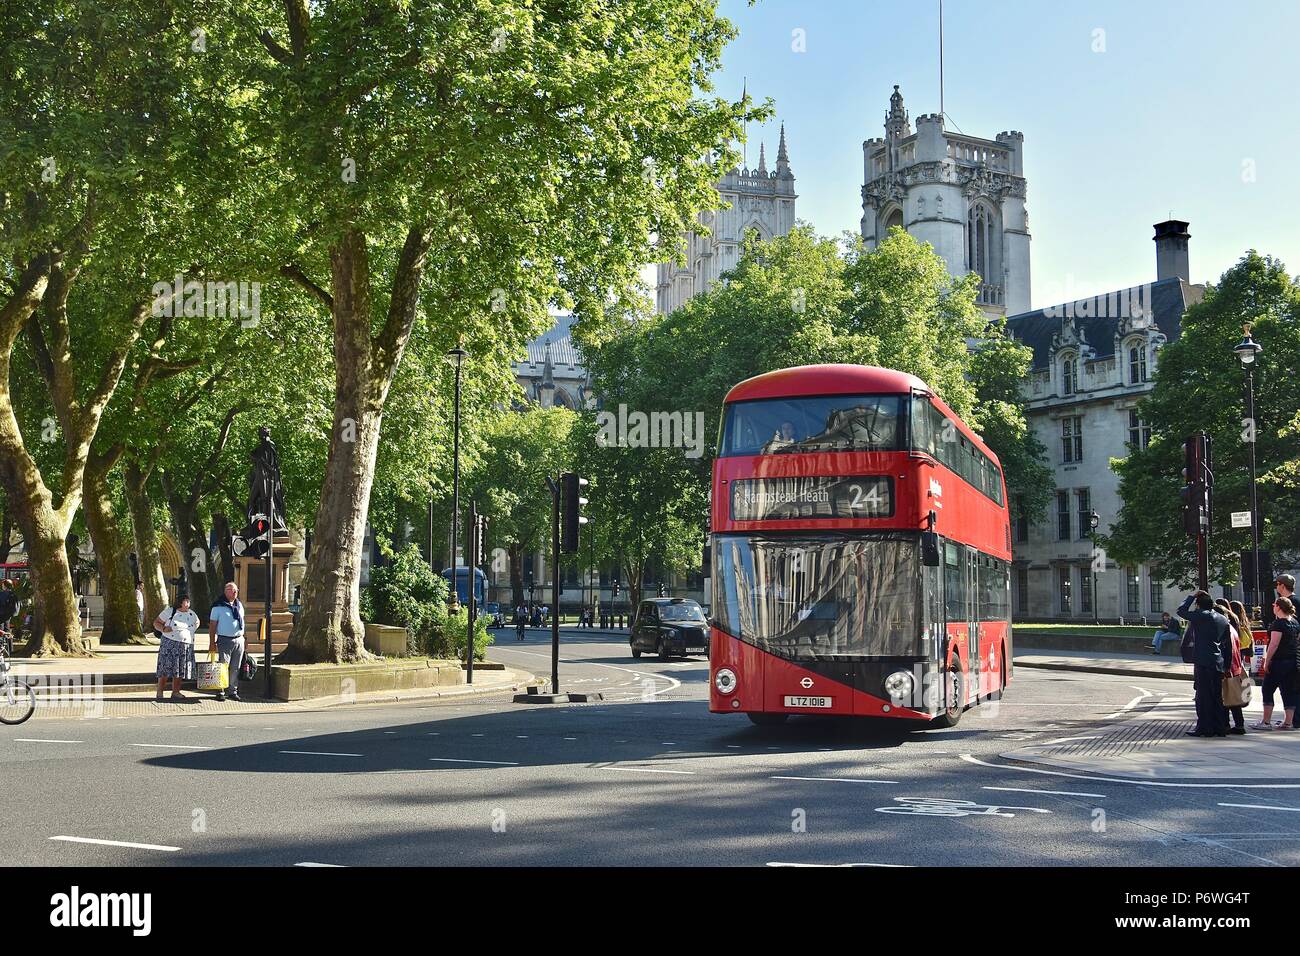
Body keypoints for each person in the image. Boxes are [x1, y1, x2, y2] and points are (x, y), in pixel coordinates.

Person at [1176, 591, 1231, 737]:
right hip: (1218, 661)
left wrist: (1191, 596)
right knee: (1217, 696)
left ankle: (1204, 727)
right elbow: (1227, 644)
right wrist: (1227, 665)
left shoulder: (1202, 615)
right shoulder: (1223, 619)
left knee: (1203, 696)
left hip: (1203, 660)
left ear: (1199, 605)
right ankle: (1219, 727)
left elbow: (1181, 611)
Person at [1254, 596, 1298, 731]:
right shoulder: (1295, 623)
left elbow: (1274, 644)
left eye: (1274, 605)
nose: (1273, 607)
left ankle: (1266, 722)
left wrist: (1267, 662)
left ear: (1278, 607)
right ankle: (1288, 722)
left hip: (1278, 661)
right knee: (1288, 691)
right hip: (1292, 661)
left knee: (1267, 689)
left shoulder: (1278, 624)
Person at [154, 594, 199, 702]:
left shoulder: (192, 614)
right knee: (165, 667)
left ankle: (176, 691)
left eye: (189, 601)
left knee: (179, 669)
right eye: (186, 601)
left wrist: (191, 631)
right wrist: (163, 629)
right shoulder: (170, 612)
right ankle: (160, 691)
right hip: (169, 644)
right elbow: (156, 622)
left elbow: (197, 622)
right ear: (180, 602)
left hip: (185, 645)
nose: (188, 603)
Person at [208, 581, 246, 703]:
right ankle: (221, 690)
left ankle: (232, 691)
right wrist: (212, 642)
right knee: (223, 666)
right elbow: (212, 625)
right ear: (225, 591)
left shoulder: (239, 605)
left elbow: (242, 622)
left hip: (239, 639)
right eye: (231, 590)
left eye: (236, 590)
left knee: (235, 667)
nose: (234, 592)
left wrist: (246, 639)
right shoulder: (218, 606)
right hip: (225, 639)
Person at [1215, 600, 1248, 734]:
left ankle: (1225, 725)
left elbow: (1226, 649)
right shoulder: (1232, 628)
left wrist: (1224, 668)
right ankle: (1239, 725)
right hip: (1235, 667)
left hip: (1228, 668)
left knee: (1225, 698)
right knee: (1234, 698)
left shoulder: (1224, 629)